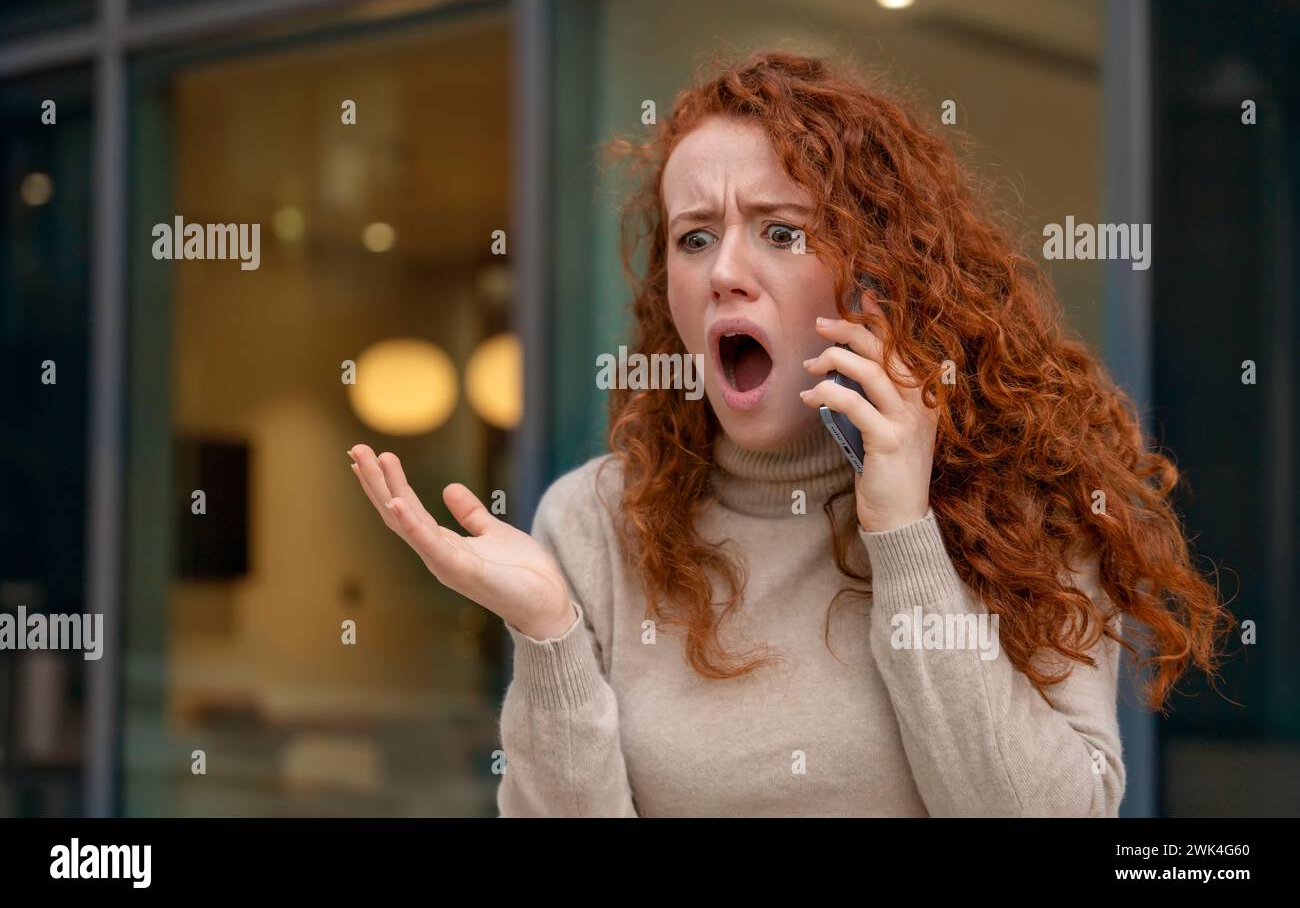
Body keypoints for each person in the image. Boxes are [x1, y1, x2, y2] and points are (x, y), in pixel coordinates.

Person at [348, 50, 1233, 817]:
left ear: (878, 274)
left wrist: (903, 533)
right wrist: (550, 638)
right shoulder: (591, 522)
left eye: (780, 232)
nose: (726, 270)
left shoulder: (1025, 508)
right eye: (695, 239)